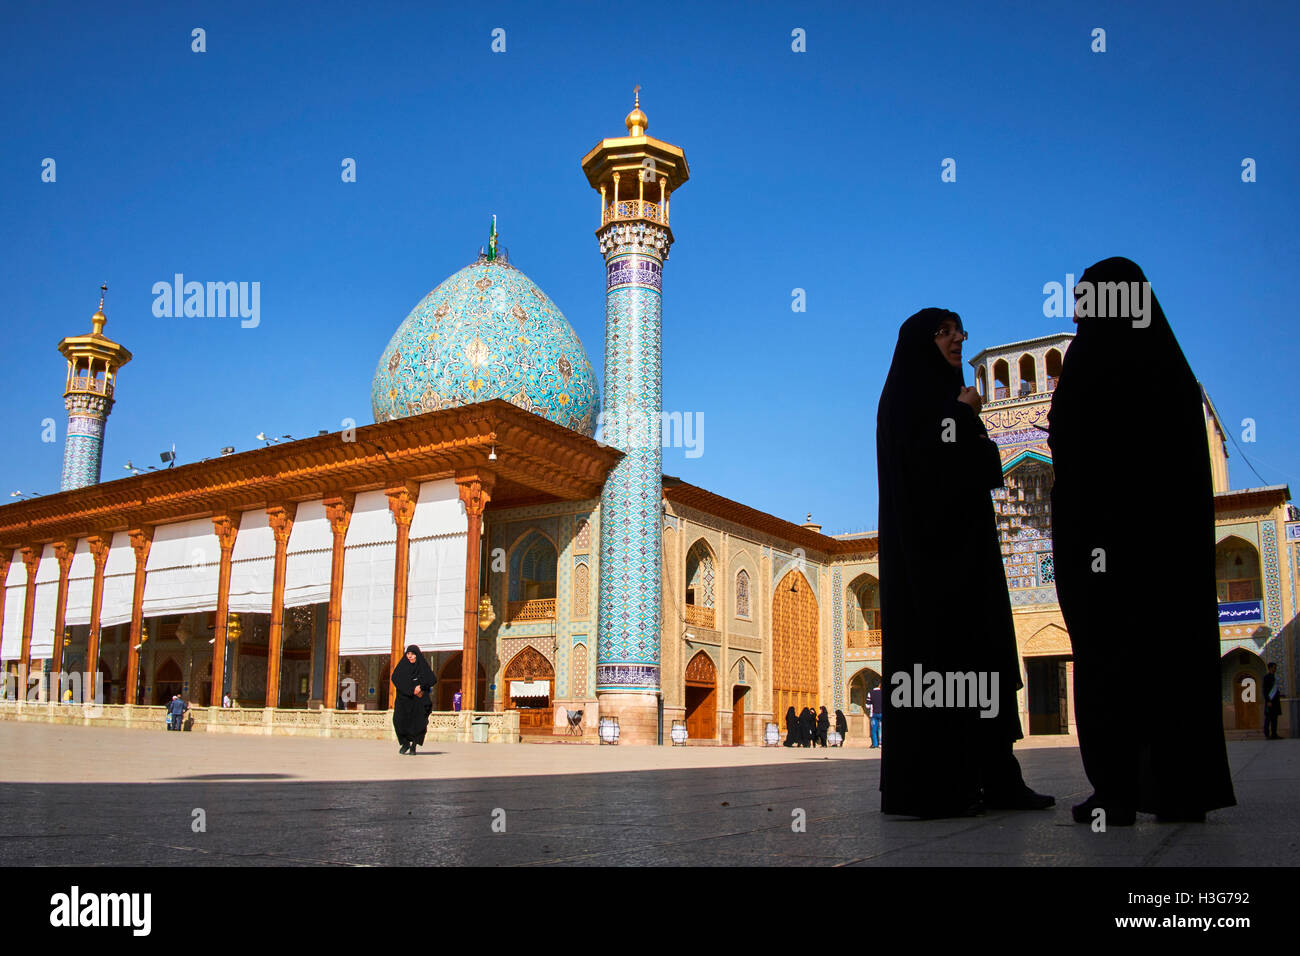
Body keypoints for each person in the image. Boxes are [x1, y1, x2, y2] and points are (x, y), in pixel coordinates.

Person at [1050, 257, 1235, 825]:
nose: (1078, 307)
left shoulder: (1089, 357)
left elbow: (1065, 436)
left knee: (1110, 659)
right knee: (1171, 657)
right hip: (1167, 551)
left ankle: (1117, 791)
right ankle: (1181, 788)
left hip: (1101, 546)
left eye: (1085, 297)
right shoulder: (1169, 365)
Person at [876, 307, 1054, 818]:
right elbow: (951, 465)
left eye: (959, 331)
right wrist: (964, 415)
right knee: (946, 670)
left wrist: (964, 416)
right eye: (946, 332)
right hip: (933, 570)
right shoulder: (911, 402)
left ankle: (999, 779)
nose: (959, 339)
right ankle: (941, 787)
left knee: (986, 668)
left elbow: (984, 474)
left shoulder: (938, 400)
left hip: (968, 558)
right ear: (921, 341)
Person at [391, 645, 437, 755]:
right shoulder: (402, 667)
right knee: (398, 720)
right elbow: (395, 679)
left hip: (418, 702)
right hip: (404, 700)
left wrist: (421, 686)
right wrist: (411, 690)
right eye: (408, 654)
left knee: (418, 723)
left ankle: (414, 745)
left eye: (412, 654)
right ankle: (405, 743)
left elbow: (432, 679)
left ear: (417, 655)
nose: (410, 656)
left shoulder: (422, 666)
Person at [1264, 663, 1283, 740]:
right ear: (1270, 668)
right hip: (1270, 702)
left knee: (1274, 718)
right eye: (1274, 667)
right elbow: (1265, 690)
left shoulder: (1274, 677)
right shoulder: (1266, 677)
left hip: (1275, 702)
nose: (1275, 669)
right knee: (1268, 718)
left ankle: (1274, 734)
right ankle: (1267, 735)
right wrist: (1268, 700)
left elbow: (1275, 689)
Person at [868, 683, 883, 748]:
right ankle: (880, 743)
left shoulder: (870, 693)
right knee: (880, 728)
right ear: (879, 685)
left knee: (874, 730)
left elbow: (867, 706)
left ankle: (875, 744)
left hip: (874, 714)